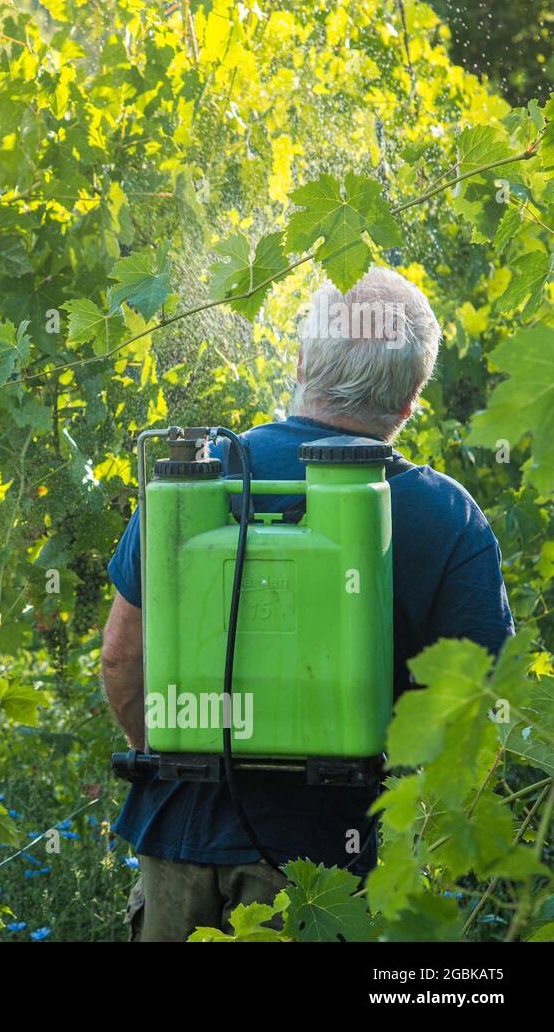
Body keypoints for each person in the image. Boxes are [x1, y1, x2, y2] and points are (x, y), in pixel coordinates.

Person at [100, 268, 514, 941]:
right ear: (410, 401)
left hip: (180, 839)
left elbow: (122, 657)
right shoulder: (447, 518)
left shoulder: (194, 482)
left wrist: (173, 749)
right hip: (336, 862)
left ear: (299, 362)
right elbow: (475, 719)